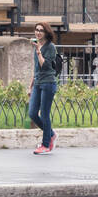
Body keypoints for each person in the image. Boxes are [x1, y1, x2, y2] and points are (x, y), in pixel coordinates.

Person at [28, 22, 59, 154]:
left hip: (48, 83)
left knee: (45, 114)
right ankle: (51, 134)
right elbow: (36, 68)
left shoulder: (50, 47)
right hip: (38, 83)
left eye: (41, 30)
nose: (38, 32)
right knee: (32, 113)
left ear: (46, 33)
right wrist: (30, 86)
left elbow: (45, 66)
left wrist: (38, 50)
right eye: (37, 30)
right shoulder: (37, 47)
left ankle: (46, 144)